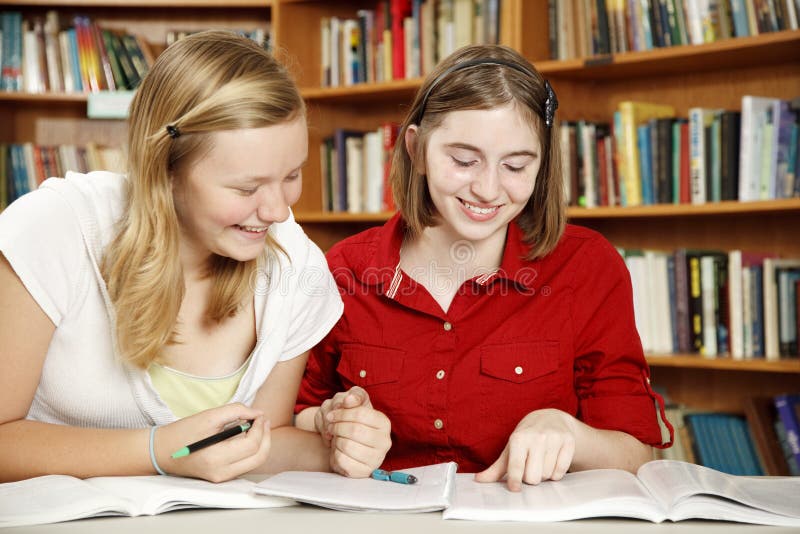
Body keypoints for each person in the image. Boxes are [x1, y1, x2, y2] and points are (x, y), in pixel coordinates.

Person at [295, 44, 673, 490]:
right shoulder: (345, 269)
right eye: (463, 161)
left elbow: (637, 451)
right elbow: (296, 417)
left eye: (515, 166)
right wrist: (332, 425)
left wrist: (570, 433)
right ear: (415, 149)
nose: (488, 189)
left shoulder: (587, 266)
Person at [0, 31, 343, 483]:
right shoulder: (54, 229)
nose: (278, 211)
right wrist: (158, 451)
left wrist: (337, 443)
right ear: (165, 169)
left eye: (292, 175)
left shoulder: (295, 266)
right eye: (246, 188)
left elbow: (258, 441)